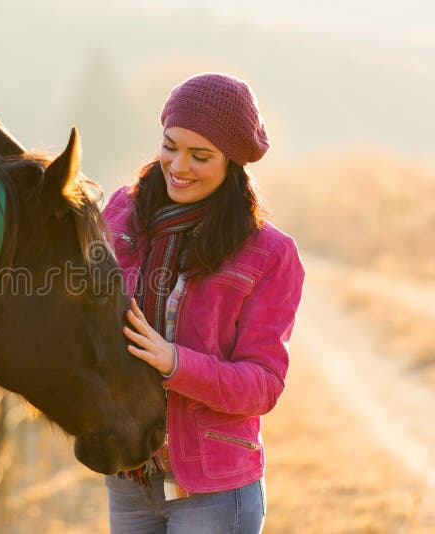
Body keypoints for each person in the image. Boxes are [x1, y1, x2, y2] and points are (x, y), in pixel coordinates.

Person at [101, 72, 304, 533]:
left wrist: (175, 363)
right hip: (128, 472)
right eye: (171, 145)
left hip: (212, 490)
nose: (178, 165)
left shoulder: (269, 254)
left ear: (232, 162)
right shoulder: (121, 213)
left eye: (200, 156)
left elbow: (263, 384)